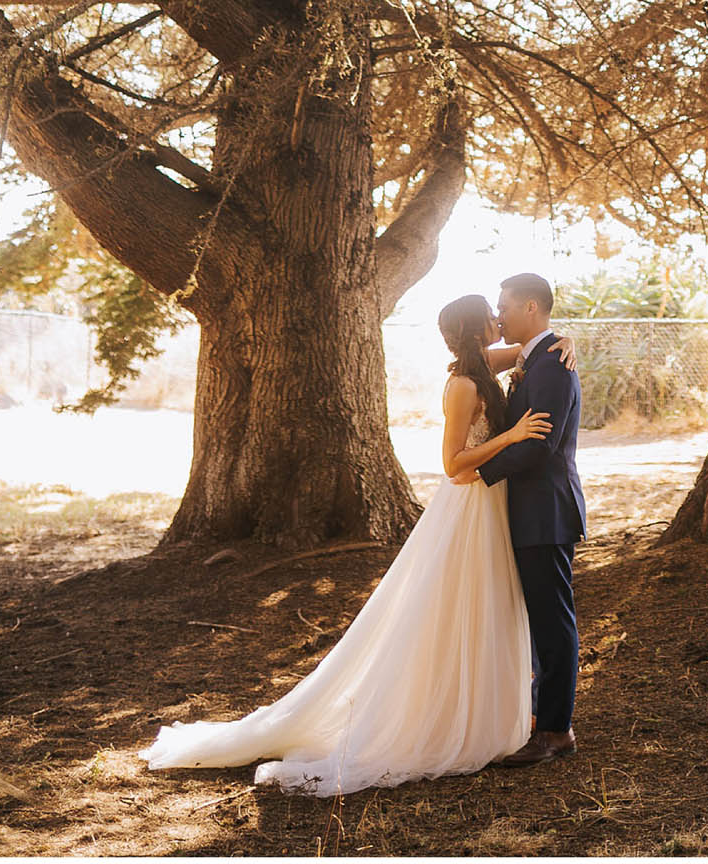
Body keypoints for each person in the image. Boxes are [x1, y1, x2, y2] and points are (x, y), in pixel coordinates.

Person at [139, 296, 569, 796]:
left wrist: (563, 339)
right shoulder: (464, 384)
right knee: (453, 607)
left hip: (494, 511)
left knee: (489, 608)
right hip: (468, 509)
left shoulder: (485, 365)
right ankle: (443, 718)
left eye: (503, 311)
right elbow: (454, 464)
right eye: (491, 316)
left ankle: (486, 714)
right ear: (477, 330)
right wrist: (511, 435)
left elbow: (530, 351)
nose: (501, 320)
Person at [472, 271, 586, 766]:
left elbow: (540, 450)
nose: (499, 315)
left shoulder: (553, 366)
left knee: (553, 623)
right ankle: (541, 717)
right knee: (539, 621)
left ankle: (557, 731)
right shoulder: (536, 357)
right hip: (528, 512)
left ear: (532, 308)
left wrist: (480, 471)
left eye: (505, 305)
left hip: (545, 512)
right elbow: (465, 363)